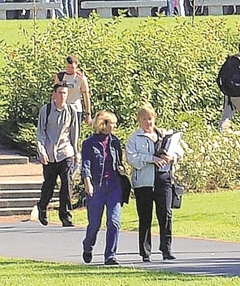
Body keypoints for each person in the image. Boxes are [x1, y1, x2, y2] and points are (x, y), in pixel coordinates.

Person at [127, 104, 183, 262]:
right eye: (144, 119)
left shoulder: (165, 135)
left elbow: (179, 151)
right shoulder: (134, 138)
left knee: (165, 214)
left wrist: (173, 157)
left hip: (163, 180)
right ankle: (145, 252)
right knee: (145, 217)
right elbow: (132, 158)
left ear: (154, 118)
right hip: (144, 183)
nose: (147, 122)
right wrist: (151, 159)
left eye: (150, 119)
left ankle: (166, 249)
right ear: (139, 120)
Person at [80, 110, 127, 265]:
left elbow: (118, 162)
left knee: (114, 221)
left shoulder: (115, 142)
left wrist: (121, 169)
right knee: (94, 224)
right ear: (103, 124)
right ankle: (88, 246)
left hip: (114, 186)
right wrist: (88, 183)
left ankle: (110, 256)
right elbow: (86, 165)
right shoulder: (89, 143)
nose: (114, 126)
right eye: (112, 123)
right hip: (97, 187)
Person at [35, 83, 82, 227]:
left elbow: (74, 133)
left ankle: (65, 215)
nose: (62, 96)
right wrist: (41, 151)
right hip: (49, 153)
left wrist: (76, 152)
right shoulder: (46, 110)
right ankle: (42, 206)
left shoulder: (71, 110)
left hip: (65, 152)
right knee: (49, 185)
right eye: (60, 93)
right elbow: (41, 133)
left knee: (66, 183)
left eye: (65, 93)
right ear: (54, 94)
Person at [217, 42, 240, 132]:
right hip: (239, 93)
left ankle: (222, 131)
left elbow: (220, 76)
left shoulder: (230, 60)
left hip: (228, 92)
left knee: (227, 114)